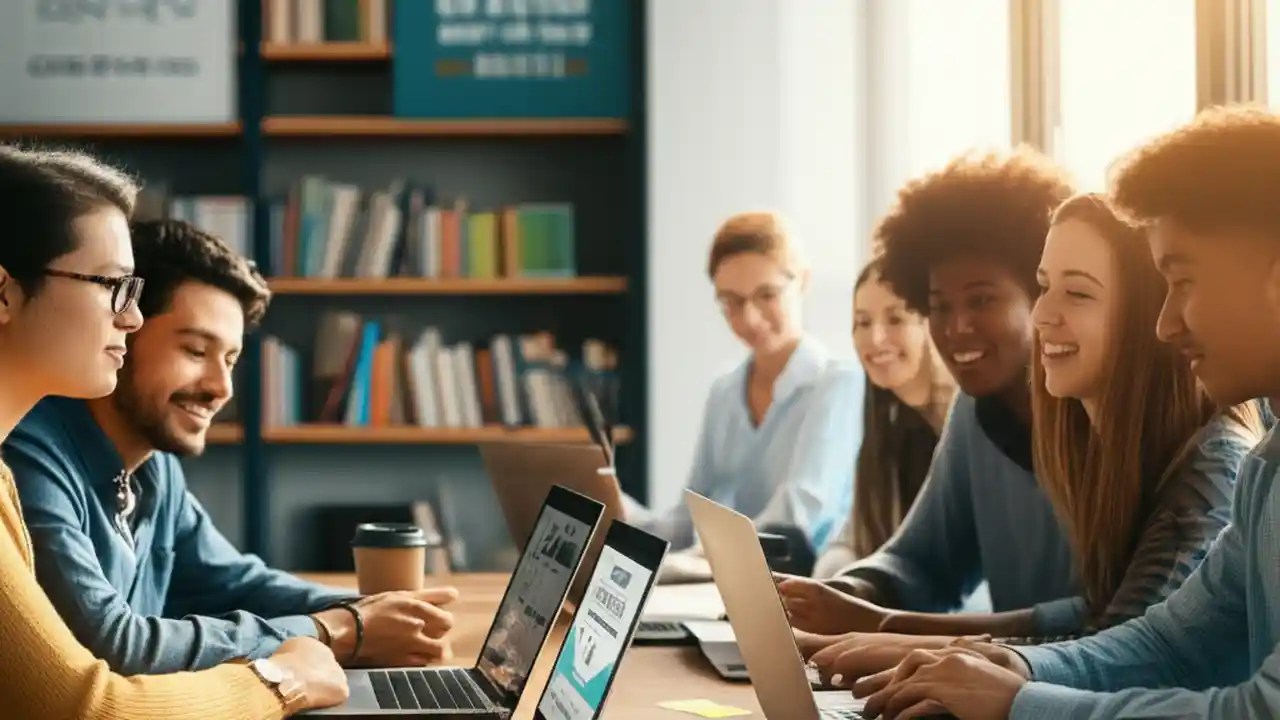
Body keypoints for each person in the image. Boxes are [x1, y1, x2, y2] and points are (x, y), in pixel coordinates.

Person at [855, 105, 1280, 720]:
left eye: (1183, 283)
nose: (1165, 324)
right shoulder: (1268, 466)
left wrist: (1018, 701)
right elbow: (1170, 643)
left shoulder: (1228, 462)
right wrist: (1016, 668)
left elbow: (1261, 711)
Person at [805, 193, 1262, 680]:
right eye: (1045, 286)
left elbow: (1126, 650)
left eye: (1078, 293)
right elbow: (1096, 613)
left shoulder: (1216, 468)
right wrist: (878, 624)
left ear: (1149, 314)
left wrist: (902, 641)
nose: (1043, 316)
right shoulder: (1090, 436)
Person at [5, 218, 459, 675]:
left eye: (230, 360)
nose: (221, 388)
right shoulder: (24, 452)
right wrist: (339, 630)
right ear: (122, 331)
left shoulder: (153, 466)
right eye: (196, 351)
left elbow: (238, 584)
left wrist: (381, 614)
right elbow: (113, 646)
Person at [0, 145, 345, 717]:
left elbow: (235, 582)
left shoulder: (136, 471)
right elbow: (88, 706)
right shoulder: (27, 458)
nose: (130, 319)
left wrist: (363, 613)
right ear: (5, 294)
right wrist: (285, 677)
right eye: (110, 285)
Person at [776, 149, 1079, 634]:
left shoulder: (1103, 414)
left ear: (1040, 295)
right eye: (939, 306)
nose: (956, 327)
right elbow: (922, 561)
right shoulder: (974, 412)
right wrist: (841, 593)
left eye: (982, 300)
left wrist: (884, 623)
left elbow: (1117, 618)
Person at [641, 211, 859, 566]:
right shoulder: (724, 391)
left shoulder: (837, 384)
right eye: (732, 301)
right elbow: (689, 516)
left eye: (767, 295)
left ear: (802, 282)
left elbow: (799, 514)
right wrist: (621, 525)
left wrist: (696, 559)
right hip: (721, 581)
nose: (749, 318)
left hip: (802, 583)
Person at [812, 258, 955, 578]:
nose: (875, 338)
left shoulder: (965, 422)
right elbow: (853, 539)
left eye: (896, 319)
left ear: (931, 324)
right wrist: (826, 584)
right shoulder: (890, 423)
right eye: (862, 322)